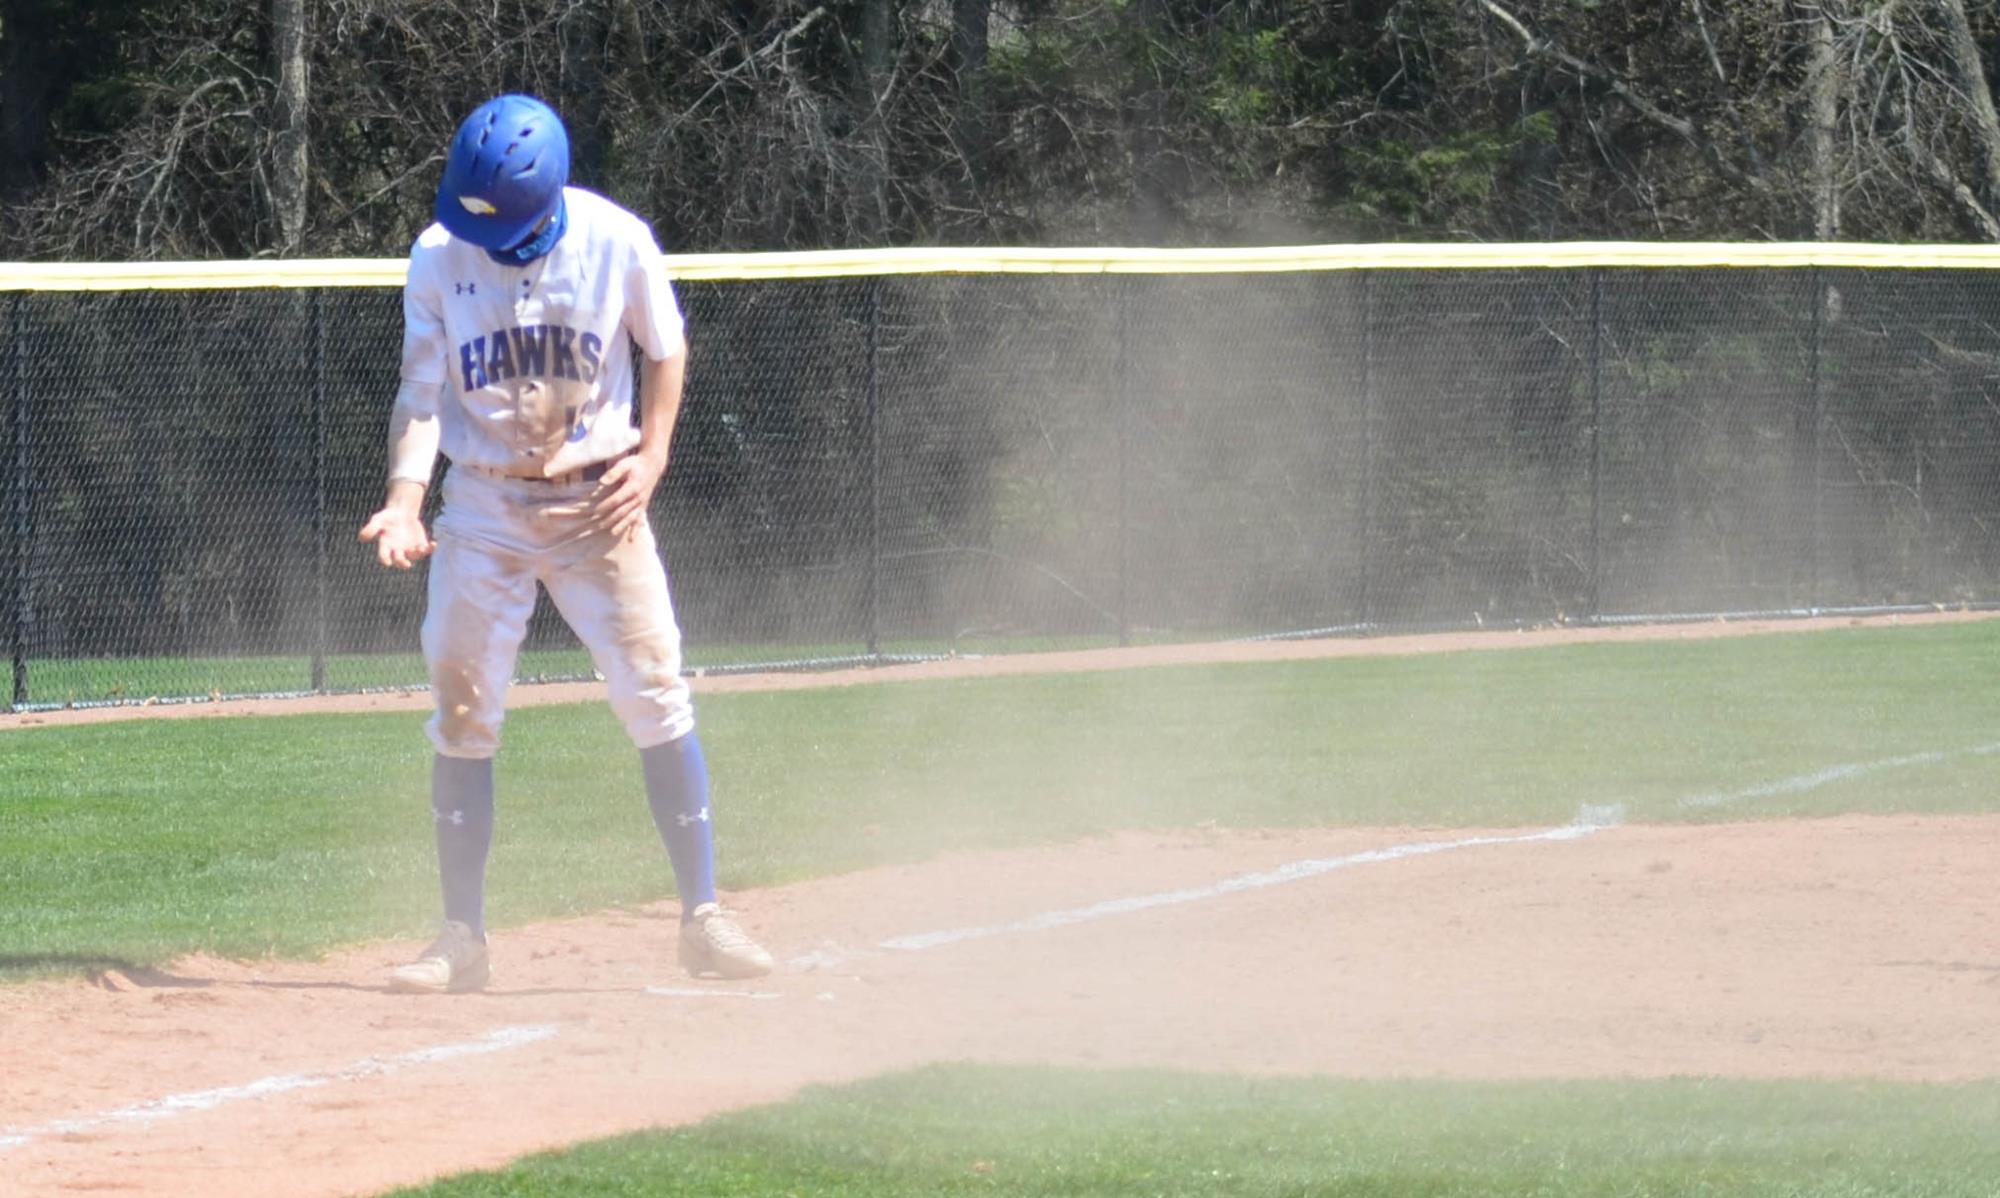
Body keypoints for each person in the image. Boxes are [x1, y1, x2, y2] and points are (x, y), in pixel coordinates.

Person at [358, 93, 772, 993]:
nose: (488, 235)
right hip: (483, 505)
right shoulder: (437, 255)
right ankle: (461, 938)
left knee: (656, 690)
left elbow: (666, 347)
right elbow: (422, 394)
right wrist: (403, 502)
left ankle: (703, 916)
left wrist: (654, 455)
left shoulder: (615, 238)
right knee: (463, 709)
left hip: (599, 503)